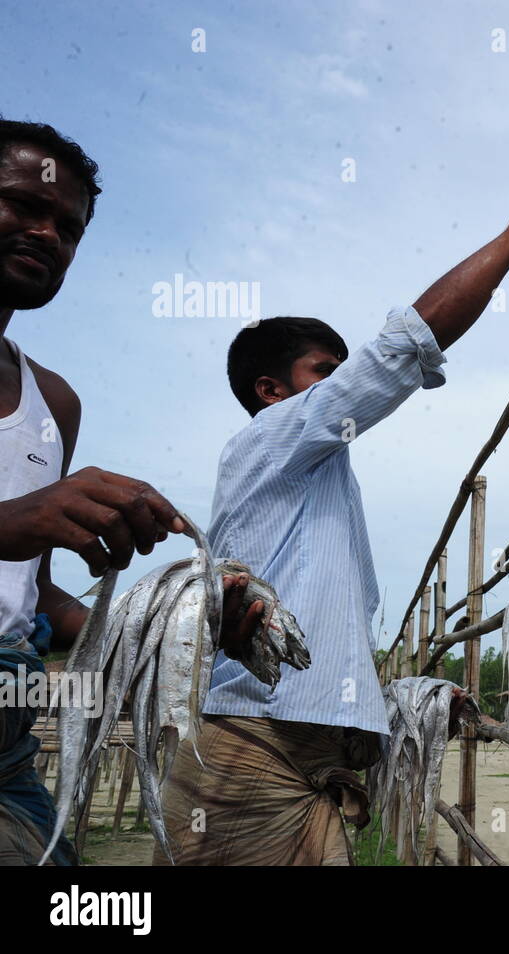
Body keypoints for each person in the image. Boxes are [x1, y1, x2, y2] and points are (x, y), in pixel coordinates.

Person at [155, 177, 509, 865]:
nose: (340, 383)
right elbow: (403, 345)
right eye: (324, 372)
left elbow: (325, 655)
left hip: (301, 761)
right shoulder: (273, 435)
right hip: (252, 757)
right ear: (270, 391)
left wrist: (410, 700)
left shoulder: (316, 486)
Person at [0, 120, 259, 865]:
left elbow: (33, 596)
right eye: (21, 205)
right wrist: (15, 519)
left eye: (69, 227)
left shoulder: (52, 402)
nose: (48, 234)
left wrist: (177, 625)